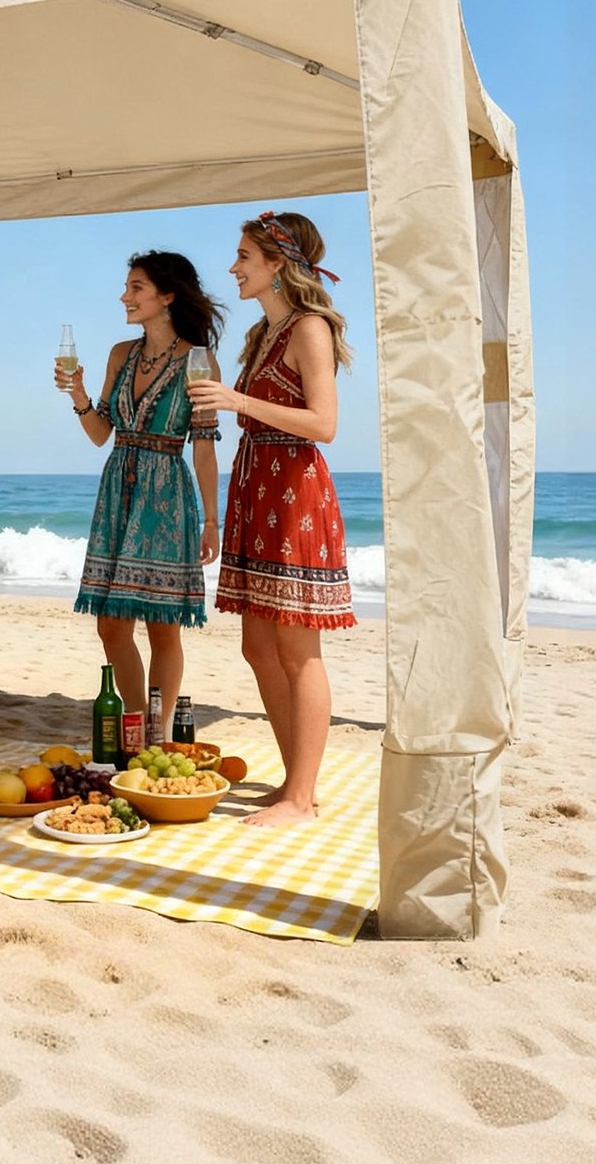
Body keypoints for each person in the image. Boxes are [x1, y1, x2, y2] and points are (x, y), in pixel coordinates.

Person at [188, 210, 356, 828]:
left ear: (277, 263)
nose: (233, 267)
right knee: (257, 646)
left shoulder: (309, 327)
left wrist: (237, 399)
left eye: (243, 256)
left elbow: (325, 425)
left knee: (296, 650)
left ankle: (301, 798)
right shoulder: (263, 334)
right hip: (256, 485)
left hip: (294, 490)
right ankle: (295, 781)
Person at [58, 251, 225, 740]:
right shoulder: (120, 354)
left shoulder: (199, 360)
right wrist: (78, 394)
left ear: (167, 296)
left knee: (162, 624)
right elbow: (99, 433)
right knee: (111, 625)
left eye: (136, 288)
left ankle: (160, 732)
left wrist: (210, 520)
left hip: (166, 497)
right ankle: (135, 724)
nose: (124, 297)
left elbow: (206, 448)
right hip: (118, 491)